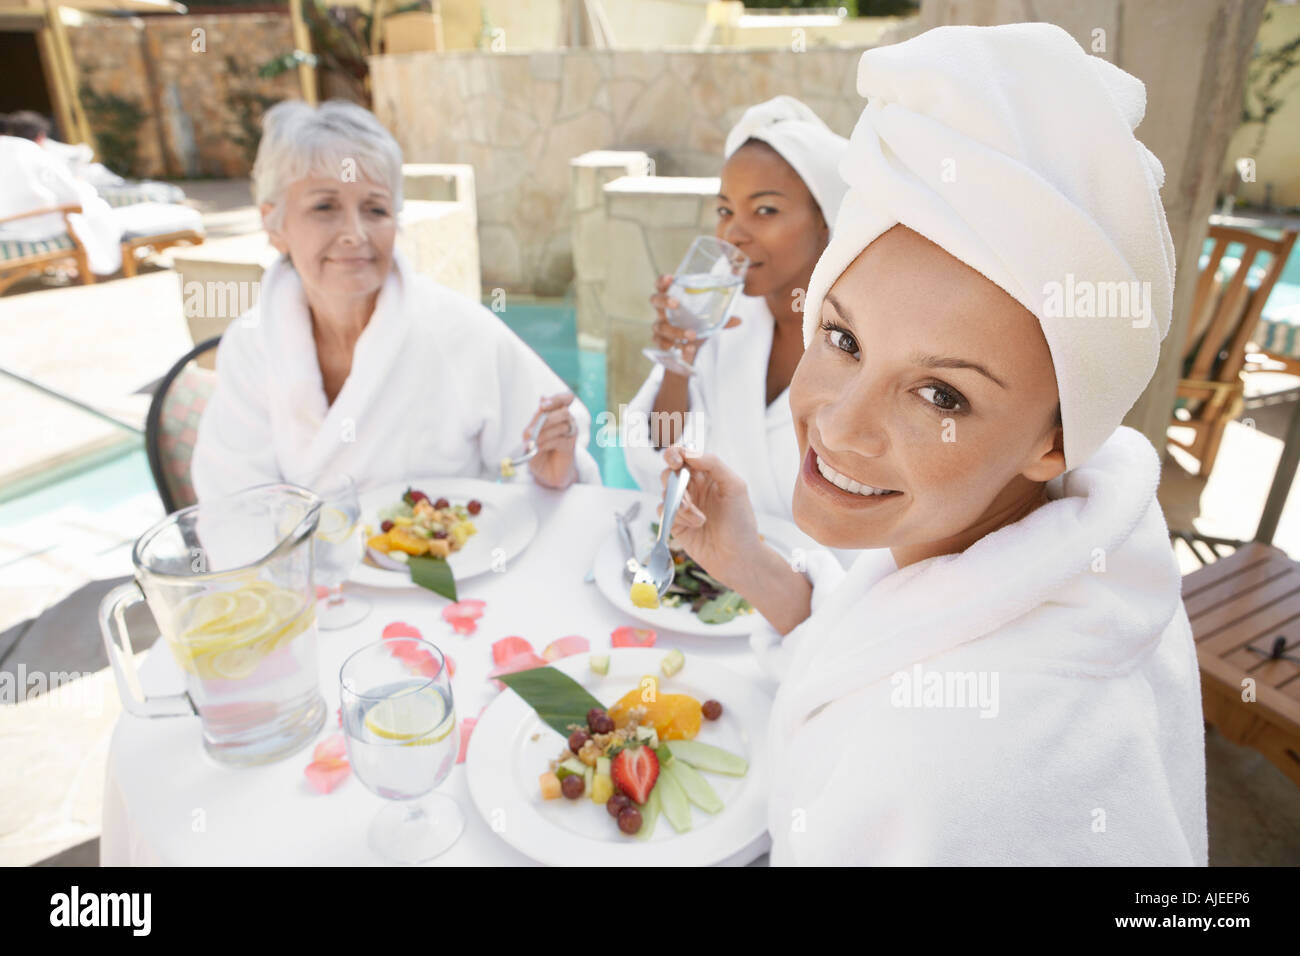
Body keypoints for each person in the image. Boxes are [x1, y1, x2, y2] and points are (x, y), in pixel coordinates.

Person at [660, 23, 1205, 865]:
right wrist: (757, 567)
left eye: (941, 394)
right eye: (842, 338)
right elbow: (876, 654)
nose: (838, 426)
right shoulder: (1061, 558)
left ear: (1055, 442)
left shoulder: (950, 765)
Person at [192, 100, 600, 500]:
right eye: (324, 207)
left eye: (375, 209)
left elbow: (546, 467)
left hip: (445, 563)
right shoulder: (252, 345)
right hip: (302, 567)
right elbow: (233, 501)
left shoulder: (457, 330)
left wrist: (553, 474)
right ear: (273, 223)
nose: (355, 233)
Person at [622, 97, 848, 522]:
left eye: (765, 210)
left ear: (825, 218)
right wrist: (679, 363)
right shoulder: (715, 315)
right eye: (725, 210)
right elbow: (658, 455)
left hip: (824, 582)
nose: (733, 233)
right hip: (717, 568)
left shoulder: (864, 346)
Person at [0, 110, 123, 275]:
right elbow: (72, 195)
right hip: (44, 226)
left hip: (6, 228)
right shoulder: (29, 150)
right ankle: (96, 267)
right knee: (92, 206)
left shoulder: (22, 150)